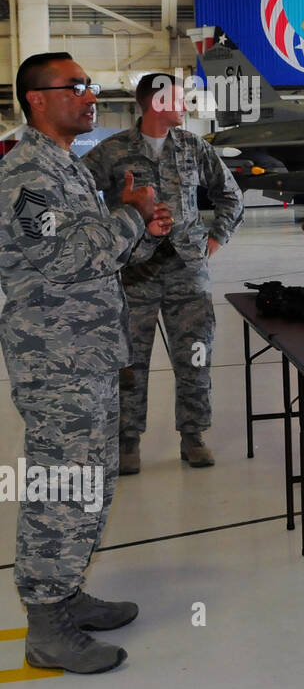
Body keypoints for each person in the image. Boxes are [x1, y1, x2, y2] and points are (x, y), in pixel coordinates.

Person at [0, 53, 171, 673]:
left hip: (89, 354)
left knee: (91, 481)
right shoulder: (25, 174)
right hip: (54, 361)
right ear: (37, 99)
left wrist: (143, 228)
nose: (90, 94)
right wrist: (128, 216)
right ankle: (46, 621)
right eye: (75, 86)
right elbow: (67, 259)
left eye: (91, 85)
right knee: (61, 486)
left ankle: (67, 593)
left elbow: (99, 259)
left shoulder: (66, 168)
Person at [85, 72, 244, 473]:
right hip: (134, 271)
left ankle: (193, 437)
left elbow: (230, 194)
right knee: (131, 361)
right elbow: (80, 202)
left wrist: (215, 239)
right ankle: (127, 443)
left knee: (194, 355)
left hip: (187, 270)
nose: (185, 106)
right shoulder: (111, 152)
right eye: (178, 98)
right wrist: (111, 235)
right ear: (156, 102)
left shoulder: (193, 146)